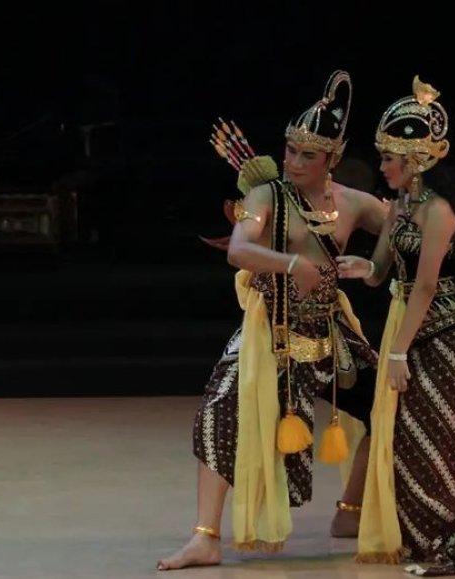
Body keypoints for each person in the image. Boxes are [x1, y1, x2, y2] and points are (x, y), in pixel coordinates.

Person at [159, 71, 390, 570]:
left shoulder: (352, 202)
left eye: (308, 155)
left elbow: (407, 232)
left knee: (389, 404)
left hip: (331, 333)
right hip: (274, 331)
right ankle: (205, 536)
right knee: (217, 418)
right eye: (289, 150)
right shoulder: (268, 197)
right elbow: (239, 250)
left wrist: (374, 268)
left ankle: (350, 510)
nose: (294, 161)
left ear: (334, 156)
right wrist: (290, 263)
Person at [339, 77, 455, 575]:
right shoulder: (402, 207)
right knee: (405, 443)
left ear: (417, 160)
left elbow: (427, 288)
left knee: (437, 442)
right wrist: (358, 267)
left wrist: (395, 354)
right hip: (414, 333)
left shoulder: (439, 212)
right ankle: (425, 536)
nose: (383, 165)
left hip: (450, 339)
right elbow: (382, 271)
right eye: (384, 155)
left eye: (391, 157)